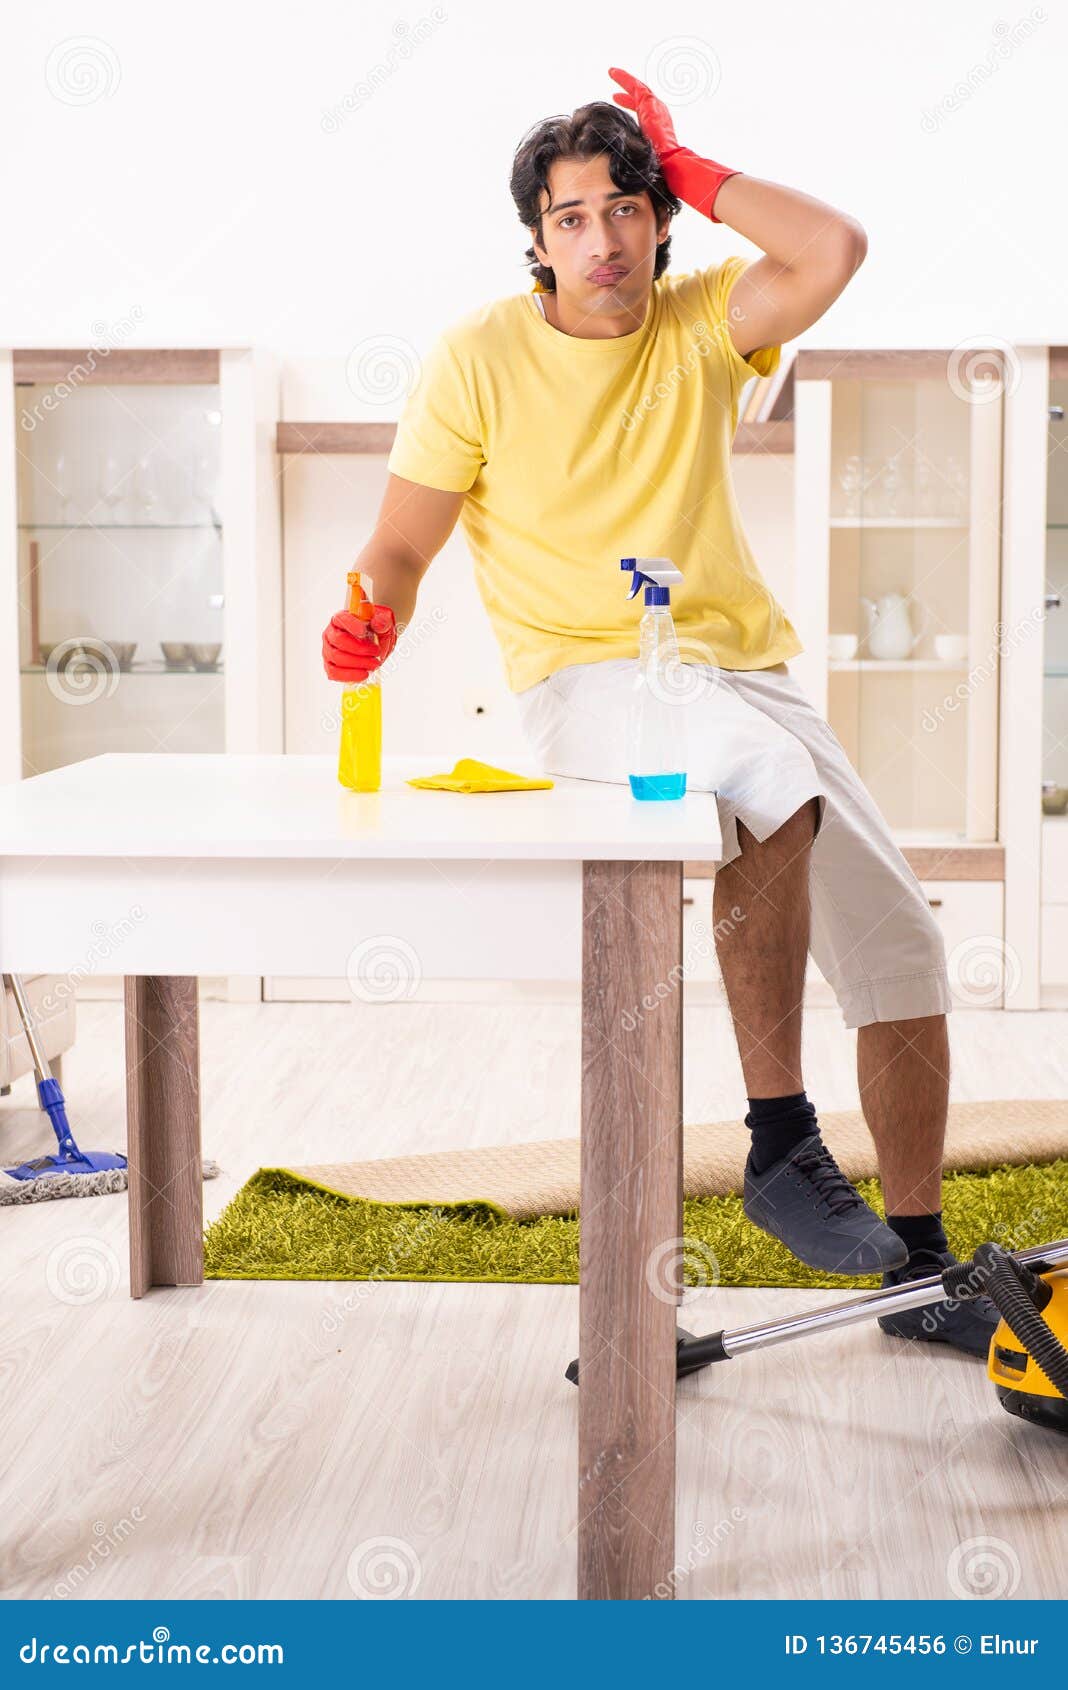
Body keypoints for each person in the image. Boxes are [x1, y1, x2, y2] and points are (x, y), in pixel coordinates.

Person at [322, 68, 998, 1357]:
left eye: (626, 208)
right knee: (757, 775)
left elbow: (835, 248)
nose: (602, 239)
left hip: (743, 668)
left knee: (902, 948)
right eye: (571, 217)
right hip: (588, 681)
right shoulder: (476, 357)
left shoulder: (699, 323)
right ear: (534, 241)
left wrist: (690, 163)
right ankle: (783, 1141)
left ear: (662, 221)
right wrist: (373, 616)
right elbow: (399, 551)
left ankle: (919, 1276)